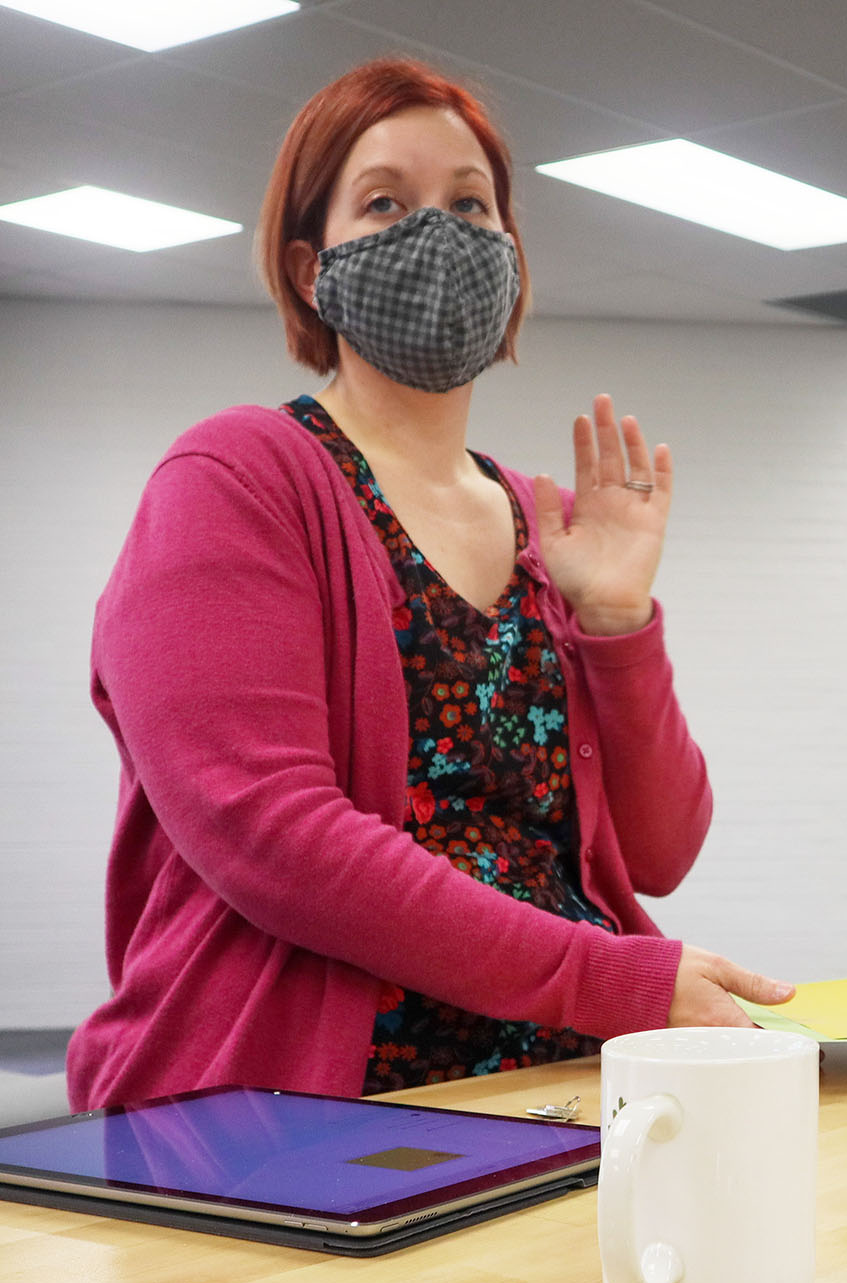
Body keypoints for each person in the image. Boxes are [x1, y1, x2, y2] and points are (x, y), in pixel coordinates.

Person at [67, 58, 793, 1111]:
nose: (440, 235)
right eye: (385, 203)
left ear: (511, 256)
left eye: (469, 204)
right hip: (300, 1113)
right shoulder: (235, 479)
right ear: (314, 271)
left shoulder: (535, 519)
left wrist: (617, 620)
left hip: (551, 1092)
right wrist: (608, 979)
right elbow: (272, 835)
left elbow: (660, 852)